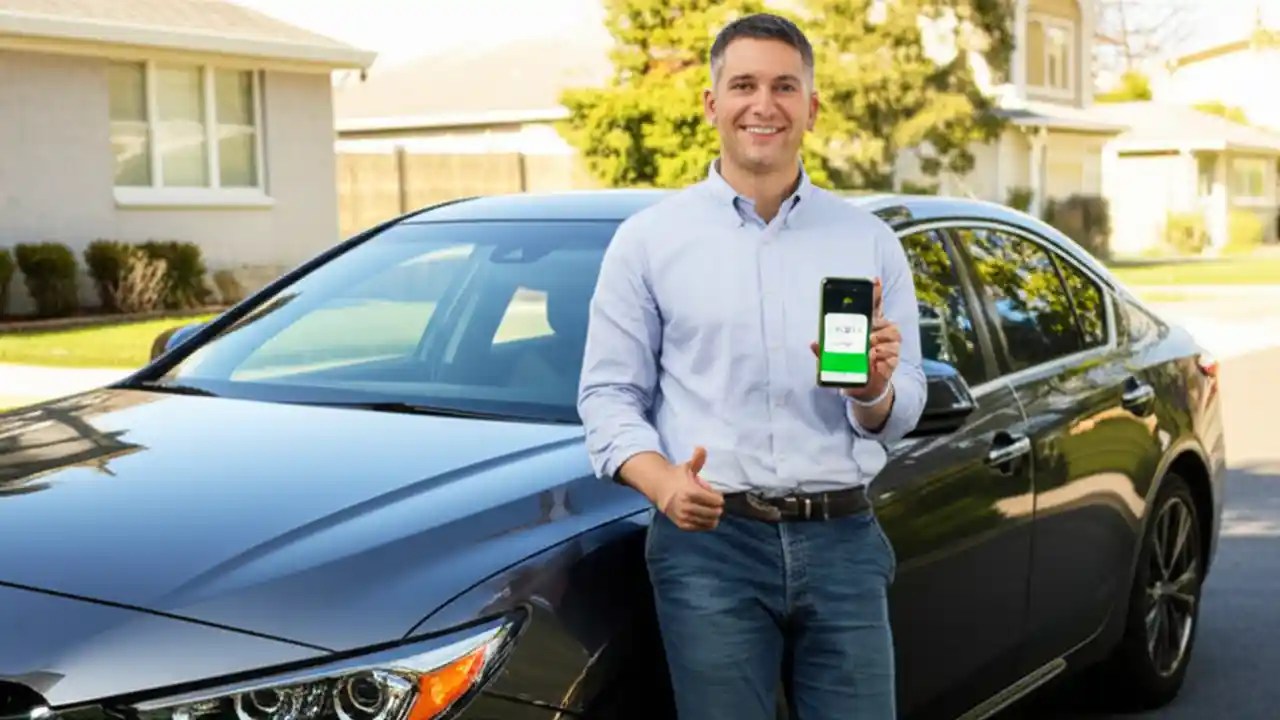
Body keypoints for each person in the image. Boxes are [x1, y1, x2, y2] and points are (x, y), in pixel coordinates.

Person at [577, 11, 926, 720]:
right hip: (709, 548)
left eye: (783, 86)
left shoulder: (867, 241)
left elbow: (906, 405)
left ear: (811, 107)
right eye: (742, 84)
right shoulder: (649, 241)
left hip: (844, 541)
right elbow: (608, 395)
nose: (762, 104)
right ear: (712, 104)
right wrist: (662, 484)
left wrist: (872, 391)